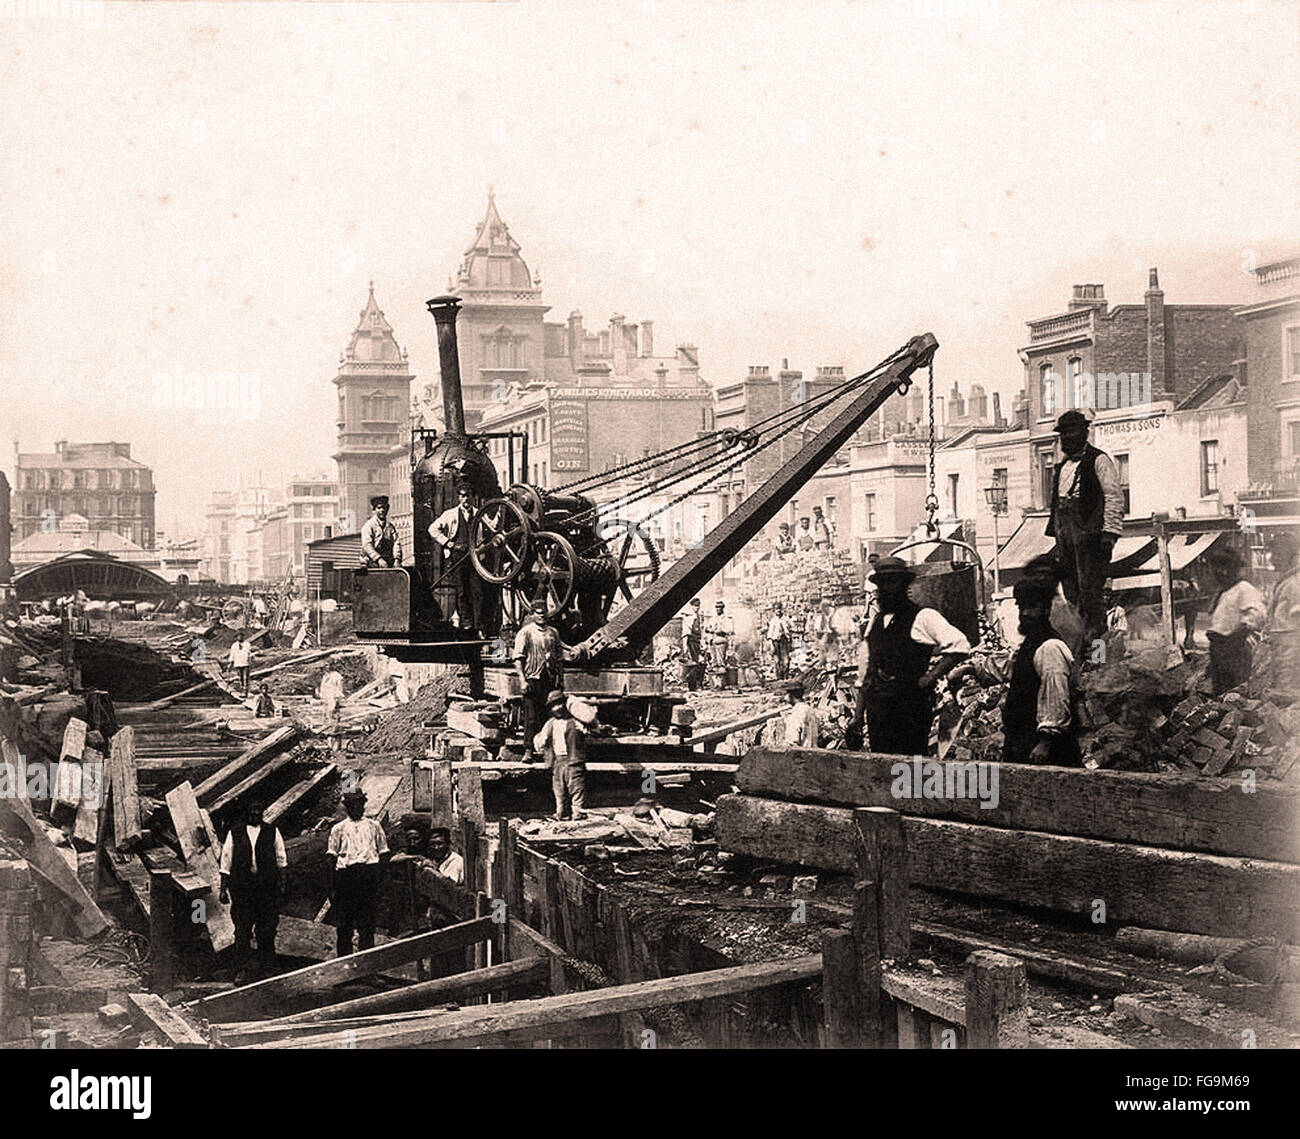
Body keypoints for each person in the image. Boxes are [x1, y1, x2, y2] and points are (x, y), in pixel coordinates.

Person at [847, 557, 971, 755]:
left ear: (904, 584)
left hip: (909, 710)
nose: (887, 588)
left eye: (892, 582)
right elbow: (866, 673)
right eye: (882, 583)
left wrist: (929, 678)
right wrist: (858, 716)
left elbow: (960, 645)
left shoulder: (923, 616)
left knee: (908, 770)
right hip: (878, 711)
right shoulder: (875, 622)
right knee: (882, 766)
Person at [1045, 410, 1124, 646]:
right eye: (1063, 435)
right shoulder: (1061, 468)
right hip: (1065, 537)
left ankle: (1098, 658)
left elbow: (1113, 496)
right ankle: (1079, 654)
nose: (1066, 439)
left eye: (1071, 433)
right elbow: (1057, 506)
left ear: (1084, 433)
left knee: (1091, 599)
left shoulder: (1099, 461)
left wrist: (1109, 533)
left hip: (1090, 539)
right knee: (1072, 599)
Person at [1001, 580, 1082, 766]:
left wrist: (1045, 741)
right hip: (1024, 742)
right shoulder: (1032, 642)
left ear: (1046, 610)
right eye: (1021, 607)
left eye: (1032, 607)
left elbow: (1056, 694)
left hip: (1044, 749)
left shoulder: (1050, 647)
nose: (1025, 613)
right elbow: (1012, 667)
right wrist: (971, 668)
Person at [218, 799, 287, 979]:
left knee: (267, 929)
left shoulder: (272, 831)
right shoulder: (235, 832)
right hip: (242, 889)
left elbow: (281, 860)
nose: (256, 813)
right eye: (252, 809)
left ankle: (268, 967)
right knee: (242, 929)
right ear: (247, 812)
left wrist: (282, 884)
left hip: (266, 889)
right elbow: (226, 862)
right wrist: (223, 889)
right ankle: (242, 969)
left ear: (262, 811)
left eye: (258, 809)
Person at [326, 789, 390, 957]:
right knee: (344, 925)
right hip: (346, 878)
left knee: (367, 925)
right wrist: (333, 886)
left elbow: (384, 853)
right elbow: (331, 857)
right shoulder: (338, 828)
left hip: (367, 876)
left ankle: (366, 968)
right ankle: (345, 968)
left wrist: (379, 880)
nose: (357, 808)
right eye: (352, 805)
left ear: (363, 805)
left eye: (360, 804)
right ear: (347, 807)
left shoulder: (374, 826)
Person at [1204, 548, 1266, 694]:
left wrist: (1232, 641)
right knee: (1220, 693)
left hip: (1234, 650)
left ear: (1226, 570)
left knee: (1234, 693)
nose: (1213, 574)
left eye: (1216, 569)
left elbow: (1257, 616)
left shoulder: (1245, 590)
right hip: (1219, 649)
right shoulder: (1224, 592)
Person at [512, 598, 565, 761]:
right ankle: (528, 750)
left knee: (548, 715)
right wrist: (522, 680)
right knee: (531, 716)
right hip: (532, 678)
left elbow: (559, 657)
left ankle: (544, 750)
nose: (542, 616)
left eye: (544, 614)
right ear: (532, 614)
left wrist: (561, 678)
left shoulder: (553, 633)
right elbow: (518, 658)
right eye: (538, 614)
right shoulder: (526, 632)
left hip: (548, 678)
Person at [430, 485, 484, 631]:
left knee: (477, 590)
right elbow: (433, 529)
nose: (466, 499)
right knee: (461, 591)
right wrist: (448, 543)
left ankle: (478, 625)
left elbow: (491, 527)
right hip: (458, 557)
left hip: (475, 557)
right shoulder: (450, 514)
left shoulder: (479, 514)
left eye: (468, 496)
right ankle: (467, 624)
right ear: (459, 498)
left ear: (473, 497)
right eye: (463, 496)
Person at [534, 690, 588, 821]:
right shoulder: (551, 723)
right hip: (558, 761)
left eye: (558, 704)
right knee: (559, 790)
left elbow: (588, 730)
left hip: (574, 761)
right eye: (553, 706)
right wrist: (541, 744)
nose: (556, 708)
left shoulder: (575, 721)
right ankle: (561, 814)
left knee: (576, 788)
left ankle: (578, 814)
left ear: (564, 704)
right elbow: (541, 740)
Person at [360, 495, 403, 568]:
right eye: (379, 508)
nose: (382, 510)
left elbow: (396, 543)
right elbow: (367, 546)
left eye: (384, 507)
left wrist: (397, 559)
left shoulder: (390, 527)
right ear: (374, 510)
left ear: (387, 508)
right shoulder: (368, 526)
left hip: (387, 562)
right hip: (371, 563)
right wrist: (379, 559)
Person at [782, 680, 820, 748]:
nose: (785, 697)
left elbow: (794, 740)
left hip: (800, 754)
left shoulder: (796, 713)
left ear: (791, 695)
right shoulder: (810, 709)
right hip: (813, 752)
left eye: (786, 694)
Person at [706, 600, 734, 688]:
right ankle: (715, 683)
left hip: (721, 639)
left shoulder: (726, 618)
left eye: (720, 608)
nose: (718, 609)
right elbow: (707, 628)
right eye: (717, 608)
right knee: (714, 661)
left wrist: (722, 630)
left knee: (721, 661)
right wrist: (709, 630)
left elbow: (730, 630)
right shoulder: (713, 618)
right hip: (713, 640)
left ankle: (722, 682)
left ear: (723, 608)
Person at [680, 598, 705, 691]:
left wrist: (703, 642)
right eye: (695, 606)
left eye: (698, 606)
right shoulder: (688, 618)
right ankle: (692, 685)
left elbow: (702, 630)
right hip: (691, 642)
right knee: (693, 664)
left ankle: (697, 684)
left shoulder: (699, 616)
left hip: (698, 642)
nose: (696, 608)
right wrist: (685, 646)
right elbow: (685, 633)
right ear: (692, 606)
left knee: (701, 663)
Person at [766, 602, 793, 681]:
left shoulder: (786, 619)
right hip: (776, 642)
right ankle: (779, 679)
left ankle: (785, 678)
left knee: (786, 661)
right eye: (777, 609)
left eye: (779, 609)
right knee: (777, 661)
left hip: (784, 642)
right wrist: (771, 645)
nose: (778, 611)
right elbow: (770, 635)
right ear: (774, 610)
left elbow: (792, 628)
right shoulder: (773, 620)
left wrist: (788, 635)